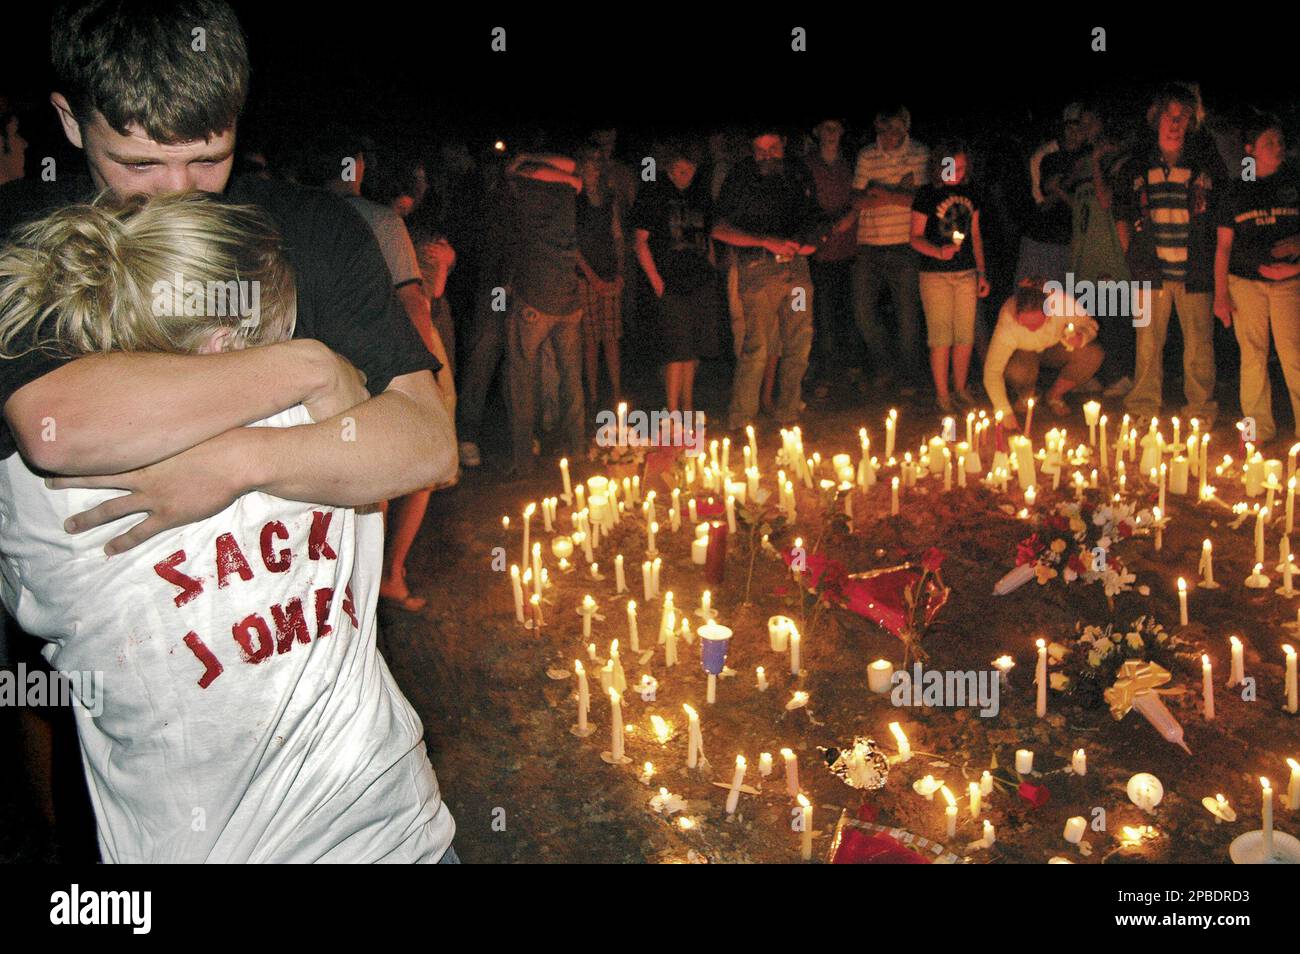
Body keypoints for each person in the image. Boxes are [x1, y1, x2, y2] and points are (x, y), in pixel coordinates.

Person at [0, 0, 456, 861]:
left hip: (393, 819)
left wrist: (243, 457)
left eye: (207, 159)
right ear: (68, 119)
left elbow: (425, 443)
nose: (177, 194)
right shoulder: (29, 240)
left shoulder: (313, 230)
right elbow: (57, 429)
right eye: (138, 162)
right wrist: (307, 369)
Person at [317, 131, 457, 611]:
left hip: (334, 365)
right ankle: (389, 575)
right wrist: (430, 372)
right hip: (390, 359)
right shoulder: (380, 220)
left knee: (364, 475)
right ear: (356, 164)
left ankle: (355, 585)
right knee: (417, 463)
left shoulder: (301, 213)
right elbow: (412, 301)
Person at [1116, 83, 1225, 426]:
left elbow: (1223, 209)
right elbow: (1121, 211)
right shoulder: (1138, 163)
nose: (1175, 123)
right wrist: (1133, 256)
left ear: (1191, 121)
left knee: (1199, 348)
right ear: (1158, 118)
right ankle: (1143, 406)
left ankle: (1200, 410)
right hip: (1151, 271)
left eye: (1183, 117)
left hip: (1195, 271)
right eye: (1170, 116)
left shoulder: (1205, 161)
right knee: (1148, 347)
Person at [712, 126, 825, 432]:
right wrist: (765, 241)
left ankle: (788, 411)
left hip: (797, 272)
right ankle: (742, 417)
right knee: (757, 346)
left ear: (784, 144)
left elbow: (814, 219)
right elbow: (719, 228)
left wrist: (809, 243)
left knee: (799, 340)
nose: (766, 157)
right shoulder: (740, 177)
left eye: (772, 149)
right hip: (758, 272)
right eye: (760, 151)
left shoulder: (798, 174)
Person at [1214, 115, 1300, 446]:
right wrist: (1221, 294)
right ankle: (1255, 431)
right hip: (1246, 283)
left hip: (1289, 283)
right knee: (1252, 355)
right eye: (1268, 143)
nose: (1277, 148)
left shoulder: (1293, 182)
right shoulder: (1238, 189)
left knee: (1293, 355)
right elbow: (1223, 247)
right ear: (1250, 150)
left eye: (1279, 142)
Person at [503, 151, 585, 474]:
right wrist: (568, 177)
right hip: (568, 299)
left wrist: (524, 157)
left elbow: (522, 169)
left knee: (521, 378)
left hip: (535, 298)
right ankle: (577, 450)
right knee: (571, 379)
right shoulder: (567, 193)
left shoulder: (524, 190)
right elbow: (570, 167)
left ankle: (523, 460)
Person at [631, 142, 718, 416]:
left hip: (699, 280)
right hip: (670, 281)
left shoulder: (700, 195)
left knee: (691, 350)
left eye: (690, 169)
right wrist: (656, 281)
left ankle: (688, 407)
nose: (685, 174)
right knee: (675, 350)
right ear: (668, 169)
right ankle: (672, 412)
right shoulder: (653, 194)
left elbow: (708, 236)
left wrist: (712, 269)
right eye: (679, 169)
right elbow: (640, 241)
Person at [850, 106, 929, 389]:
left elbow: (919, 201)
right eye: (884, 129)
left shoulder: (919, 153)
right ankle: (885, 365)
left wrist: (879, 192)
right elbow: (857, 201)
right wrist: (899, 192)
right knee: (862, 311)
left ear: (906, 128)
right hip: (869, 245)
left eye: (896, 129)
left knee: (907, 313)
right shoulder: (866, 154)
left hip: (905, 245)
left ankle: (909, 376)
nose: (889, 135)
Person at [910, 140, 990, 413]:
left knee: (965, 336)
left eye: (962, 167)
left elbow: (976, 235)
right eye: (952, 166)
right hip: (936, 276)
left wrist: (982, 273)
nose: (958, 171)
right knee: (941, 337)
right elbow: (915, 238)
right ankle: (943, 395)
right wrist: (937, 251)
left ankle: (961, 388)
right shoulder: (926, 195)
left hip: (966, 272)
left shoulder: (972, 193)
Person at [1069, 115, 1135, 398]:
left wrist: (1097, 162)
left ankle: (1121, 375)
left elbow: (1107, 200)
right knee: (1090, 318)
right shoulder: (1079, 162)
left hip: (1110, 256)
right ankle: (1090, 374)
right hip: (1086, 256)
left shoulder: (1120, 162)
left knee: (1114, 318)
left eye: (1088, 122)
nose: (1082, 128)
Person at [984, 279, 1103, 427]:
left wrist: (1082, 336)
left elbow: (1088, 324)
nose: (1032, 329)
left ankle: (1054, 395)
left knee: (1092, 354)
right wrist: (1004, 410)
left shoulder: (1061, 302)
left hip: (1056, 346)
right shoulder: (1007, 322)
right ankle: (1026, 395)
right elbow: (992, 371)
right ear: (1016, 316)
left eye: (1037, 324)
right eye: (1026, 325)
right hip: (1025, 353)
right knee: (1017, 371)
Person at [804, 118, 860, 391]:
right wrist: (823, 226)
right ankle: (825, 372)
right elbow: (804, 204)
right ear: (816, 132)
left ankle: (849, 369)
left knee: (848, 311)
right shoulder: (808, 164)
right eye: (826, 128)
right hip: (820, 252)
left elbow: (859, 195)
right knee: (822, 314)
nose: (831, 133)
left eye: (836, 128)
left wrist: (852, 214)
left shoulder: (849, 162)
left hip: (848, 249)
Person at [575, 147, 624, 407]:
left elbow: (616, 236)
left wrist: (619, 272)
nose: (593, 169)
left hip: (609, 273)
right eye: (588, 164)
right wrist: (591, 277)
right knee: (590, 339)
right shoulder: (574, 200)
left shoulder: (609, 199)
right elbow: (573, 245)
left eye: (596, 164)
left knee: (612, 336)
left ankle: (617, 393)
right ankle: (592, 394)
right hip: (586, 277)